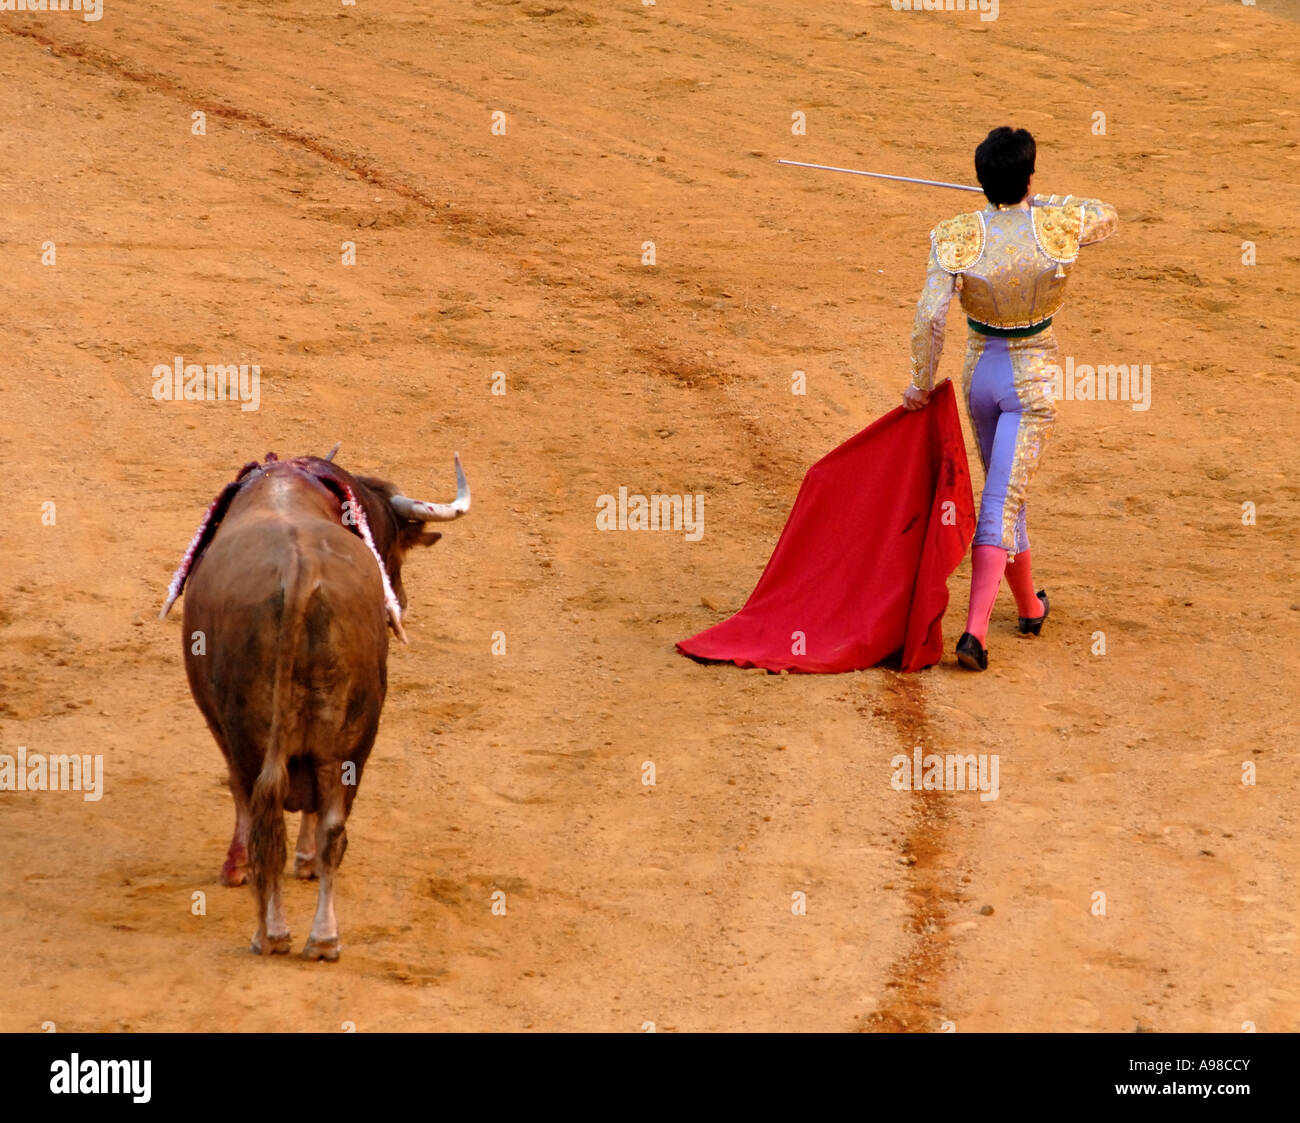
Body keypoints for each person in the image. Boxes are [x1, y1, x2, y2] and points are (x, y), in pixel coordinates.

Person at [901, 127, 1117, 671]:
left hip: (980, 377)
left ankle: (1027, 605)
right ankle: (974, 633)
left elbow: (930, 317)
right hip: (1032, 381)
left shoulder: (955, 234)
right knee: (1002, 500)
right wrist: (1043, 203)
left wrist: (921, 384)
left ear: (980, 181)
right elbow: (1107, 214)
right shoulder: (1057, 224)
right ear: (1030, 175)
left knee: (1006, 490)